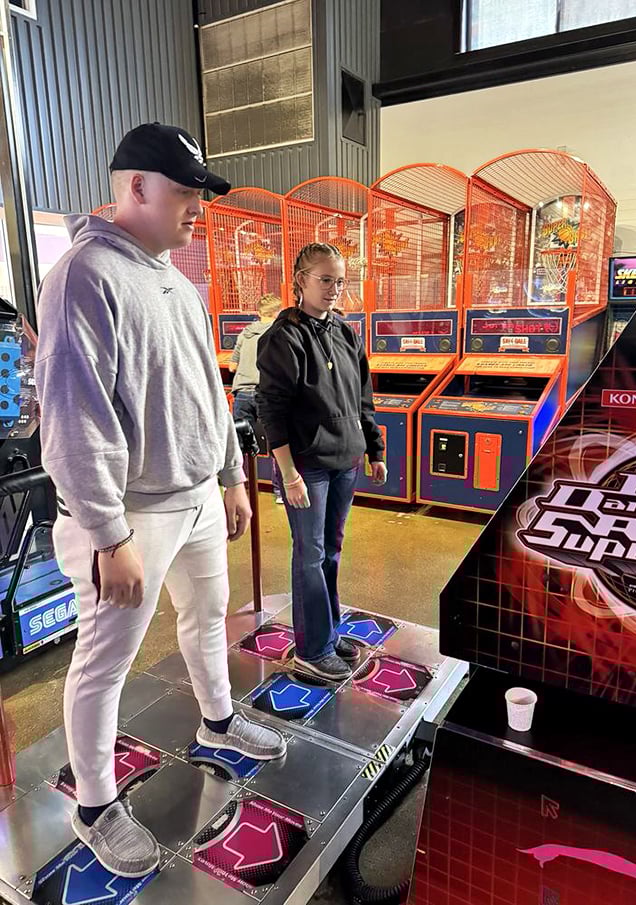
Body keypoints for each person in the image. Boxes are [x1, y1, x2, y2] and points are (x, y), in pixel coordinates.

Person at [35, 122, 286, 879]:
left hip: (197, 498)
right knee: (103, 663)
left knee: (207, 616)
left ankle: (217, 722)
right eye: (186, 192)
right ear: (136, 186)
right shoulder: (84, 274)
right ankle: (96, 805)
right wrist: (109, 534)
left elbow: (206, 390)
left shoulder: (177, 280)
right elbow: (73, 417)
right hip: (129, 514)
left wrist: (231, 474)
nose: (198, 209)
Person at [257, 243, 387, 682]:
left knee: (331, 550)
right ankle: (312, 649)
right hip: (306, 467)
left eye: (340, 281)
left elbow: (362, 399)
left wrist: (374, 450)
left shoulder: (346, 334)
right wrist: (288, 473)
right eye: (325, 279)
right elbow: (270, 410)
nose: (334, 289)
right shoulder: (283, 337)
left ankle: (327, 633)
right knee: (309, 555)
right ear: (301, 280)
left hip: (345, 460)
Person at [229, 293, 284, 502]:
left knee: (240, 444)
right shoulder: (280, 333)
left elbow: (232, 366)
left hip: (242, 393)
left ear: (259, 313)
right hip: (267, 395)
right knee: (276, 444)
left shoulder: (245, 333)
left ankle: (236, 488)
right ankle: (279, 492)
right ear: (277, 312)